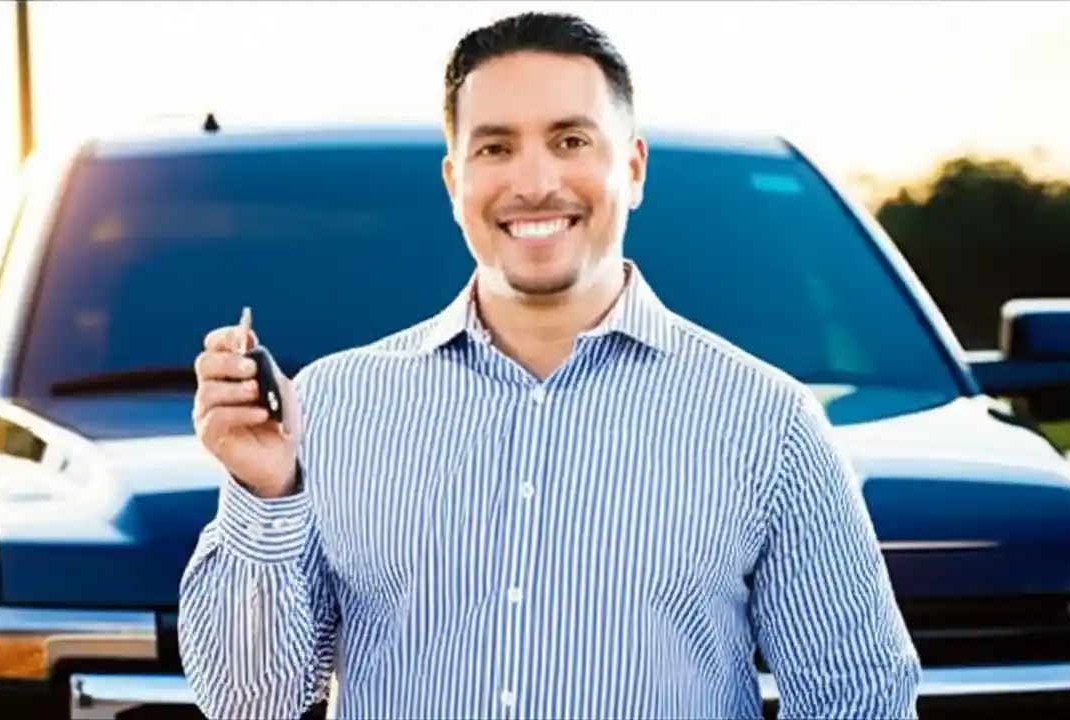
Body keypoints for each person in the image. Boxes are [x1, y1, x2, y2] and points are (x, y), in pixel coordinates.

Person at [180, 11, 921, 720]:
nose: (533, 183)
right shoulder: (334, 406)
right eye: (496, 147)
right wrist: (265, 493)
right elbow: (250, 704)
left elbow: (858, 701)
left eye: (570, 141)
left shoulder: (767, 421)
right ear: (453, 183)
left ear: (631, 167)